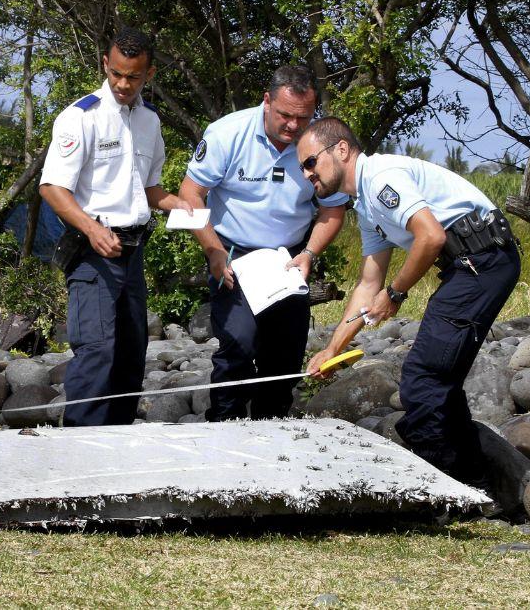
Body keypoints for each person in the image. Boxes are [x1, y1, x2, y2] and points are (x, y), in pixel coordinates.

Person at [298, 117, 521, 492]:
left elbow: (430, 237)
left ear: (340, 150)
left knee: (423, 380)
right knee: (436, 380)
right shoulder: (367, 206)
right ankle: (476, 485)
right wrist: (332, 349)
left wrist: (397, 294)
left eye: (310, 163)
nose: (307, 174)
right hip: (468, 266)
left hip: (483, 260)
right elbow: (369, 284)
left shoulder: (382, 175)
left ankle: (451, 488)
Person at [39, 27, 191, 426]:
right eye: (117, 74)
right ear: (106, 64)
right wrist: (91, 228)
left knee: (130, 351)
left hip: (133, 250)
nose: (123, 84)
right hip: (92, 251)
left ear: (149, 74)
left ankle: (120, 444)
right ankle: (79, 447)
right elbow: (53, 188)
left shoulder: (149, 121)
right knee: (96, 350)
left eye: (133, 77)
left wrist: (183, 205)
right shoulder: (81, 117)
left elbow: (149, 188)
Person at [178, 66, 347, 421]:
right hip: (232, 253)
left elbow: (332, 211)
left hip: (288, 258)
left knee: (285, 355)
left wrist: (310, 253)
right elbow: (190, 194)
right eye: (285, 115)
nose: (292, 126)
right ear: (267, 101)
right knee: (238, 343)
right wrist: (212, 250)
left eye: (302, 117)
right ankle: (224, 425)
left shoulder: (319, 146)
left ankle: (272, 430)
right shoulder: (227, 133)